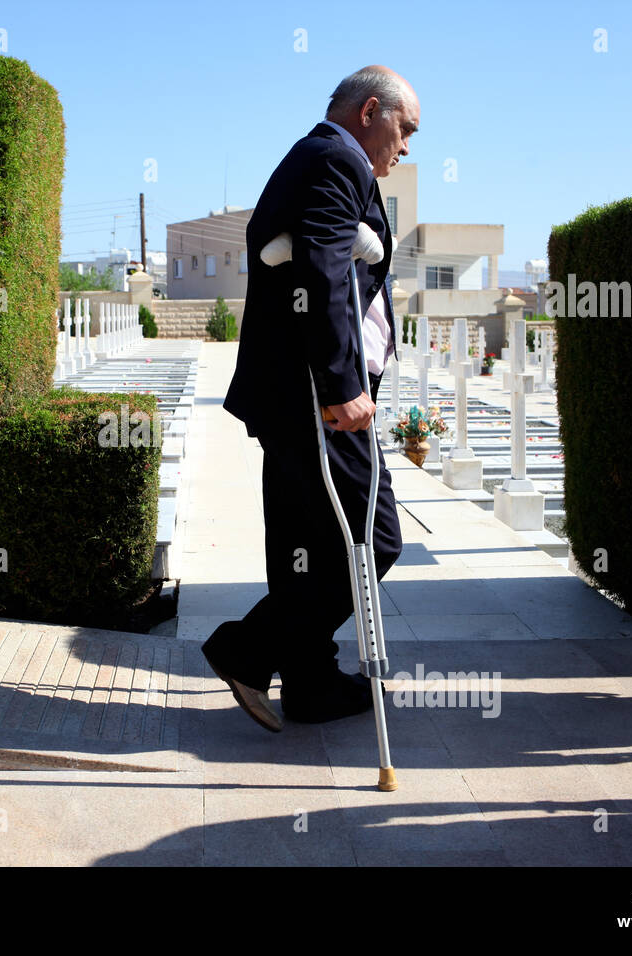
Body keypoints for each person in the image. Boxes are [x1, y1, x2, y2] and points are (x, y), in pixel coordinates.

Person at [203, 65, 420, 731]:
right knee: (373, 539)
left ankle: (312, 682)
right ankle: (248, 650)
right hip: (317, 397)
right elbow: (322, 265)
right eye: (404, 128)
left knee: (309, 543)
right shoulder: (336, 159)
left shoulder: (314, 156)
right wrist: (342, 387)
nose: (406, 146)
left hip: (293, 394)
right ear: (370, 111)